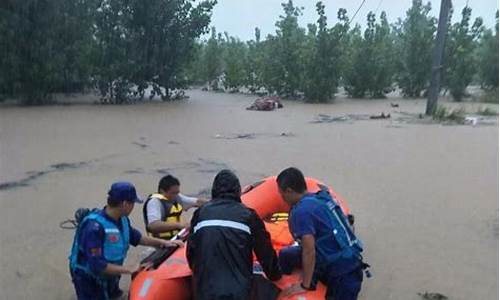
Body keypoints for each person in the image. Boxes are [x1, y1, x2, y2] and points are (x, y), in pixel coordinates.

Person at [69, 181, 183, 300]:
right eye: (132, 203)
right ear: (125, 204)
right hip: (88, 278)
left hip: (111, 272)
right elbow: (96, 265)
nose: (133, 206)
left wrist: (164, 243)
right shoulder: (93, 229)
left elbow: (136, 237)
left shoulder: (122, 219)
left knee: (115, 296)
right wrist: (129, 269)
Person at [187, 170, 282, 300]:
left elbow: (191, 254)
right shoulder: (248, 216)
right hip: (238, 292)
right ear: (238, 191)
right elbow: (265, 253)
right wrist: (275, 275)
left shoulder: (200, 214)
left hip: (206, 291)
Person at [276, 167, 366, 300]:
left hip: (343, 270)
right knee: (286, 255)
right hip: (337, 254)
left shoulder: (302, 212)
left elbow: (309, 251)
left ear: (289, 191)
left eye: (281, 193)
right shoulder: (320, 197)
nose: (281, 197)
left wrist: (305, 285)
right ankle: (282, 281)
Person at [143, 175, 207, 240]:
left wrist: (214, 203)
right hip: (160, 243)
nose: (176, 195)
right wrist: (179, 225)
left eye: (177, 192)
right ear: (162, 191)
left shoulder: (176, 197)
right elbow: (153, 225)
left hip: (177, 238)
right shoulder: (154, 202)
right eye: (173, 193)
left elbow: (197, 202)